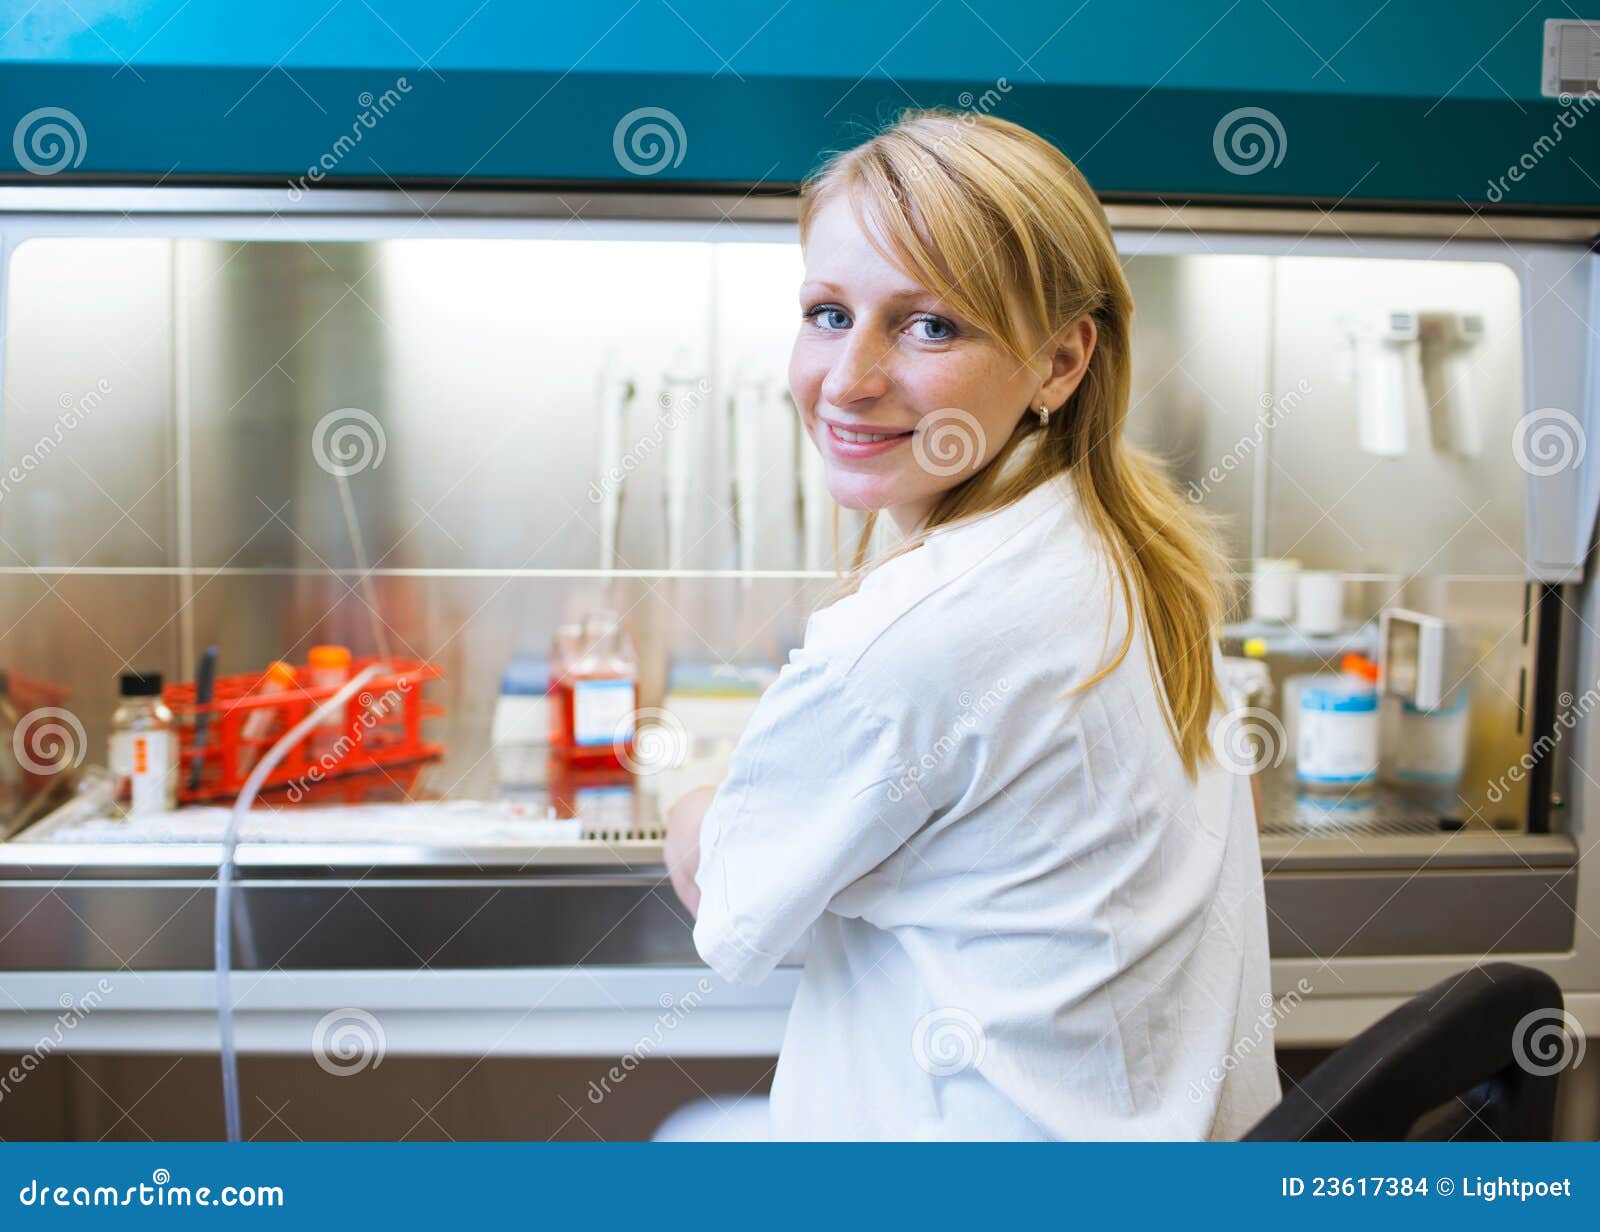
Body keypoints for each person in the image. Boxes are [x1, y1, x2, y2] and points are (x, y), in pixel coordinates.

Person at [663, 109, 1280, 1140]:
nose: (849, 379)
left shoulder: (917, 636)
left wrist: (693, 799)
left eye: (929, 324)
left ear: (1058, 362)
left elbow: (731, 899)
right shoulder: (1130, 549)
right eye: (826, 311)